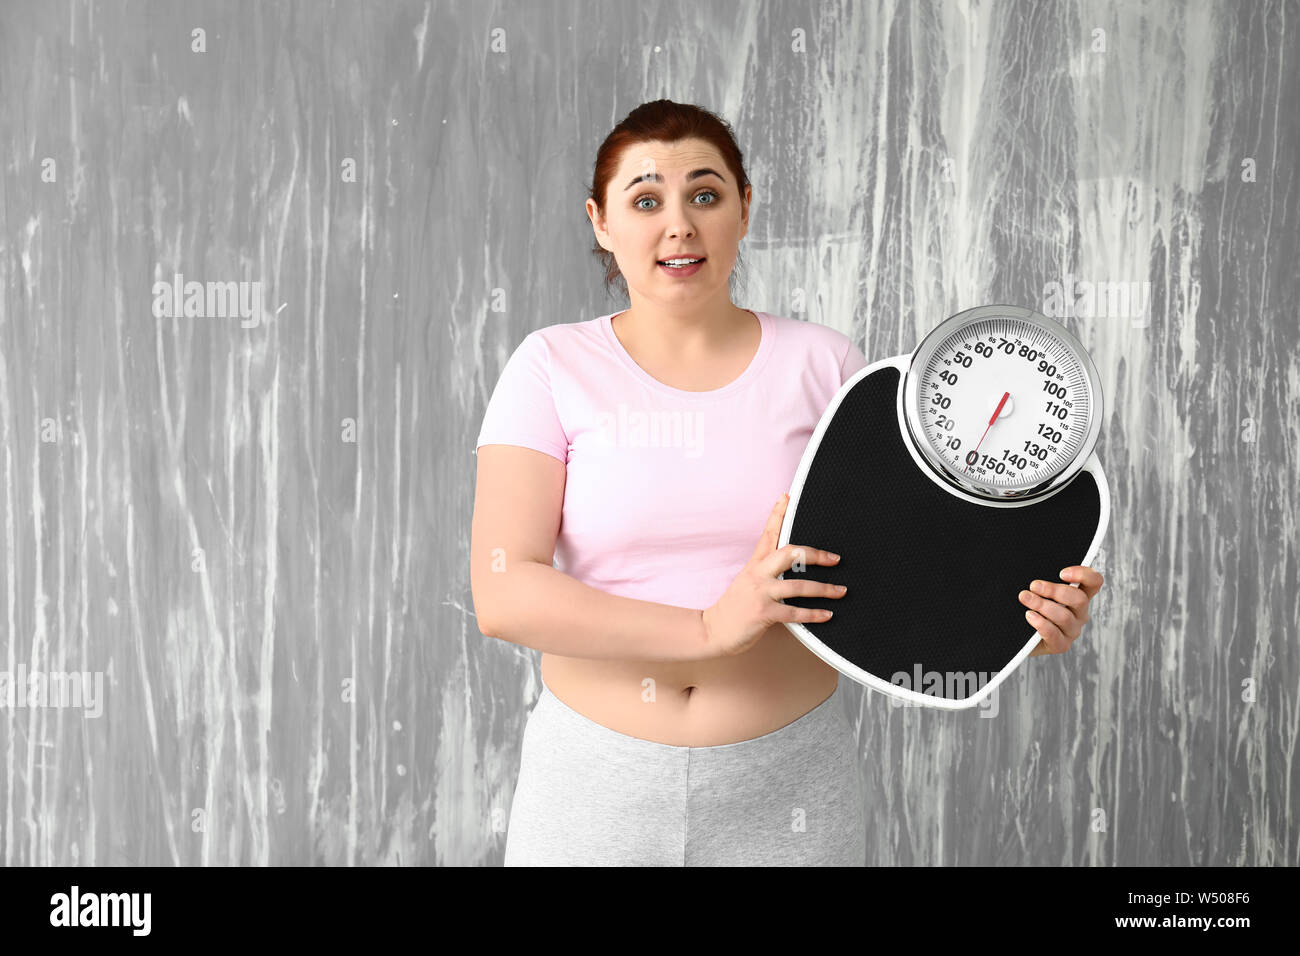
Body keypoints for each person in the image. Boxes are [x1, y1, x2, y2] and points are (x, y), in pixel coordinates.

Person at [471, 100, 1104, 866]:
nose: (679, 225)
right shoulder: (550, 367)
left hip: (790, 795)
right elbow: (505, 593)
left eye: (705, 195)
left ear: (744, 209)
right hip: (592, 792)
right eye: (646, 200)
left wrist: (1009, 633)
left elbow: (894, 574)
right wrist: (709, 627)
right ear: (601, 222)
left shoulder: (829, 368)